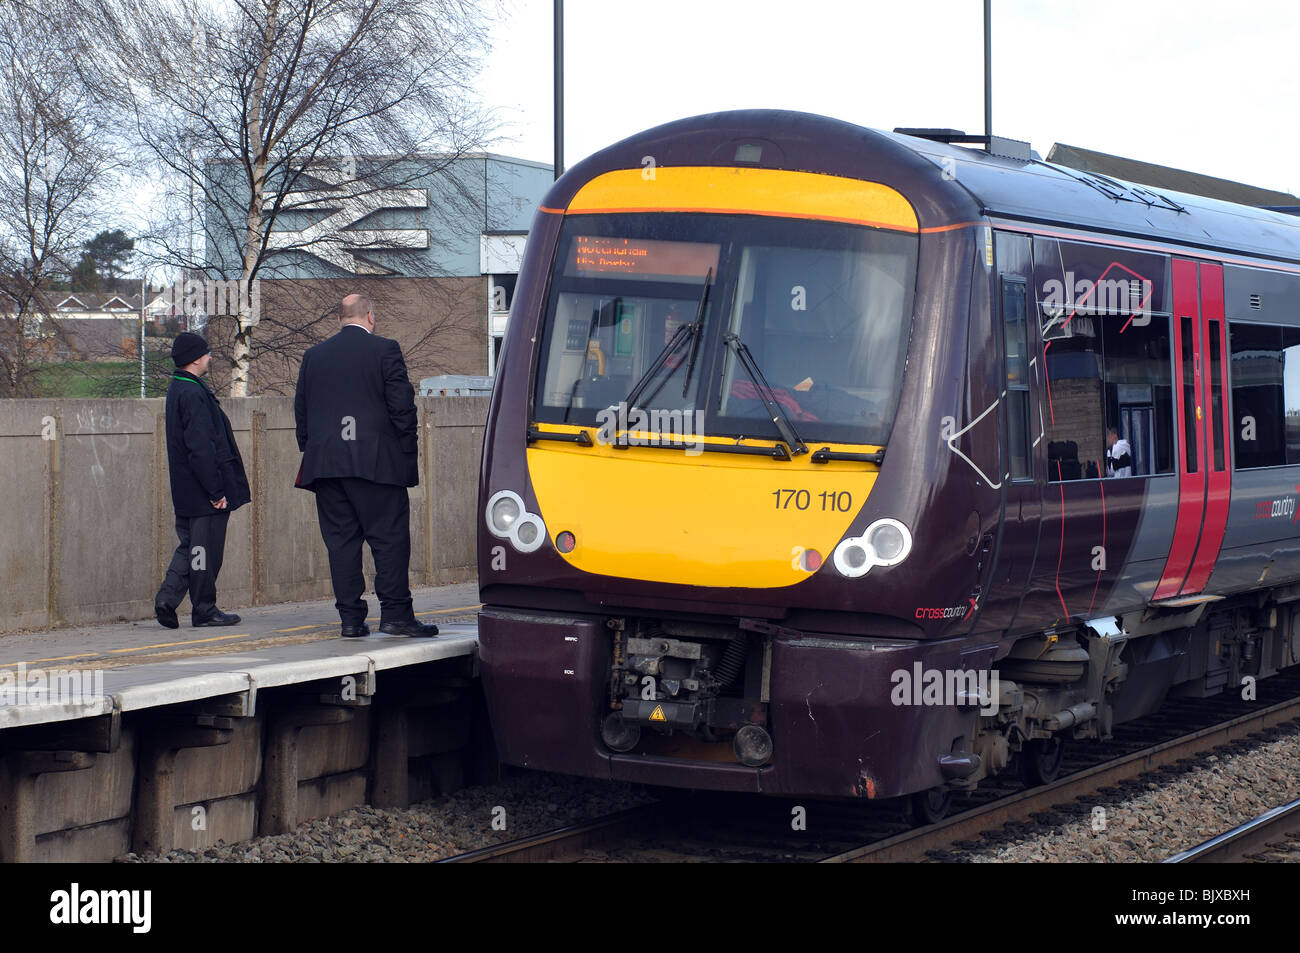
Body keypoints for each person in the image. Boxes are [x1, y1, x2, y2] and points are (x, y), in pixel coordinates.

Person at [293, 294, 438, 638]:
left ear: (340, 319)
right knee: (388, 540)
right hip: (376, 464)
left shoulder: (314, 356)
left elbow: (301, 411)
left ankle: (351, 620)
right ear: (370, 316)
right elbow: (402, 408)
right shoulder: (385, 349)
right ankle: (396, 616)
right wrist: (405, 458)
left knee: (341, 543)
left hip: (326, 465)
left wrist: (314, 450)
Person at [155, 332, 249, 628]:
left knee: (191, 547)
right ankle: (204, 609)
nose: (210, 357)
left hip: (185, 489)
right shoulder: (193, 393)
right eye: (207, 353)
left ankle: (167, 600)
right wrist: (216, 490)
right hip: (203, 491)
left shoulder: (179, 388)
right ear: (196, 358)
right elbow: (201, 448)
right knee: (206, 552)